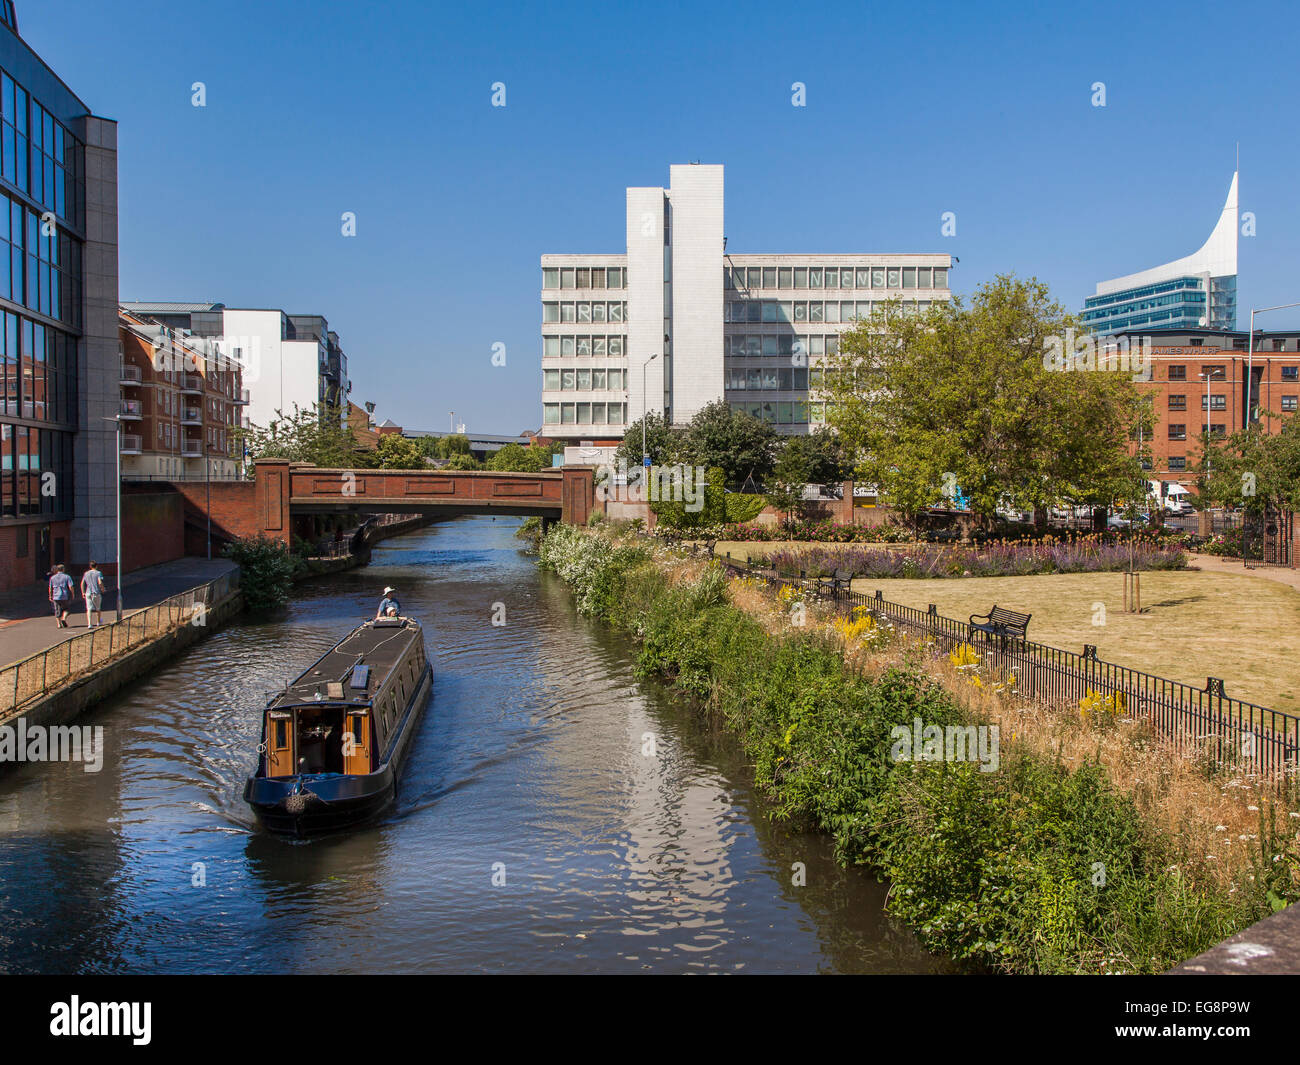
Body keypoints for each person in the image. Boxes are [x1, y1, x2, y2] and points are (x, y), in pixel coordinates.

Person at [48, 563, 75, 628]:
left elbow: (50, 588)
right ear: (63, 569)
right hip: (64, 595)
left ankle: (59, 624)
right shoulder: (67, 577)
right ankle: (64, 618)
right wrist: (73, 593)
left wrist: (50, 595)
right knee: (66, 609)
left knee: (57, 610)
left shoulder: (52, 578)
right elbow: (70, 586)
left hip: (56, 595)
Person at [81, 561, 105, 628]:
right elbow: (100, 582)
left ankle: (89, 624)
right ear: (96, 566)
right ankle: (98, 622)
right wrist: (103, 589)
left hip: (88, 592)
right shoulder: (98, 573)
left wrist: (83, 592)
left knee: (89, 609)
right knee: (98, 608)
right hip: (96, 592)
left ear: (90, 566)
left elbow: (82, 583)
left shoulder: (86, 573)